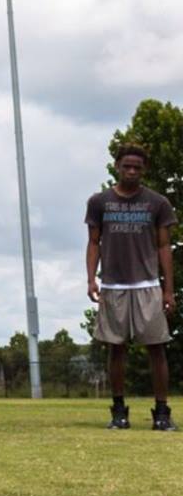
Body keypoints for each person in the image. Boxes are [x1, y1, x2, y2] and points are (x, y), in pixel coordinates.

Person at [86, 144, 174, 431]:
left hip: (147, 284)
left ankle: (161, 411)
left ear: (144, 169)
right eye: (127, 166)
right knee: (116, 349)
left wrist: (168, 289)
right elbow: (94, 242)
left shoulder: (157, 203)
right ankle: (119, 411)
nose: (132, 171)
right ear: (117, 166)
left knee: (156, 347)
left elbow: (164, 246)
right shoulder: (100, 202)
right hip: (113, 285)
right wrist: (91, 278)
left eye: (137, 167)